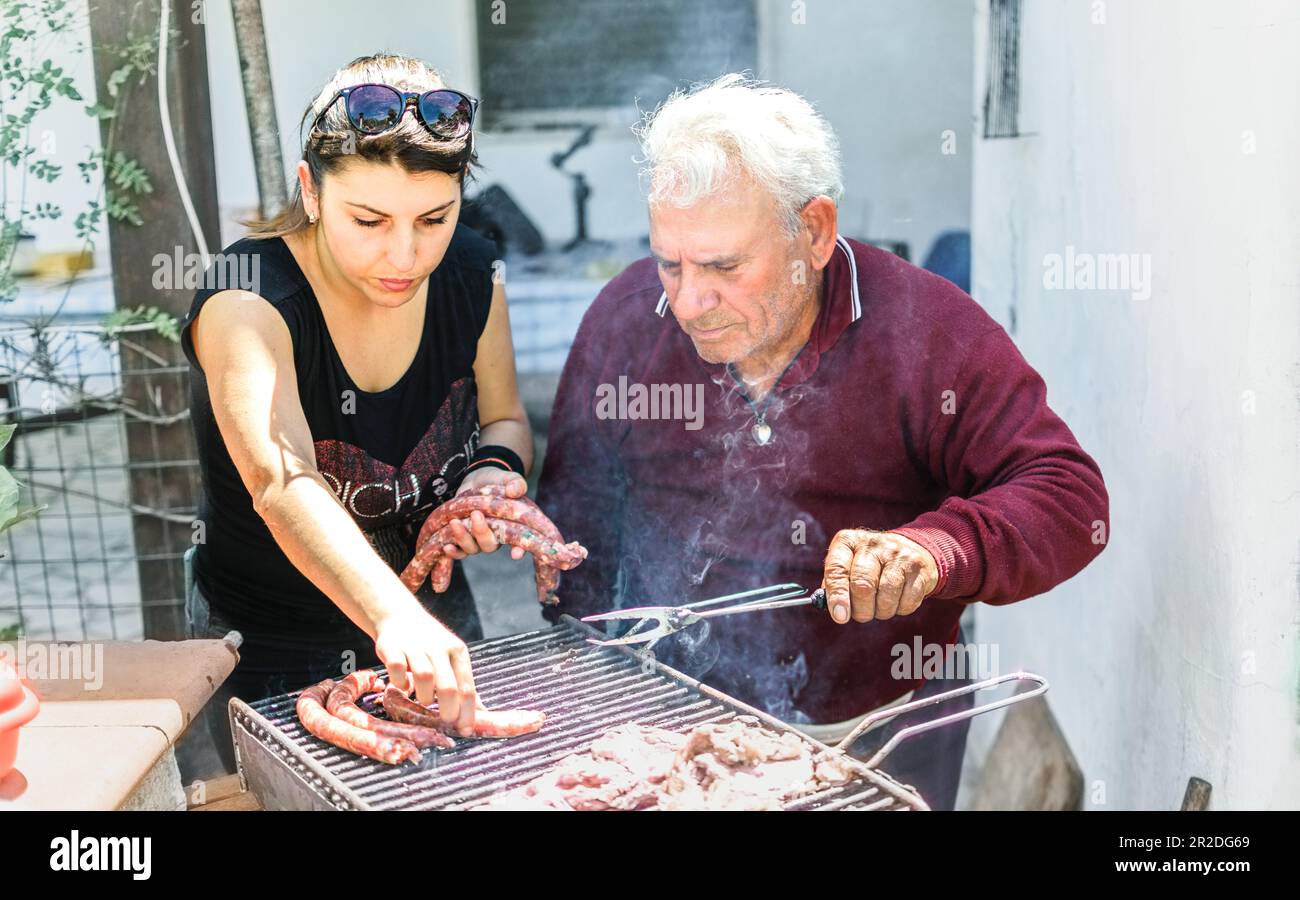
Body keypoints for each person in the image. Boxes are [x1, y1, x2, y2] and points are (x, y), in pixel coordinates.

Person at [536, 74, 1110, 809]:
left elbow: (1069, 497)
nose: (688, 301)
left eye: (723, 266)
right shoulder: (625, 321)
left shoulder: (927, 329)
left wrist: (935, 549)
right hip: (674, 728)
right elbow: (577, 526)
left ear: (812, 230)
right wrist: (592, 691)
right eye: (669, 262)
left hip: (884, 722)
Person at [180, 54, 536, 770]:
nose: (404, 254)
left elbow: (505, 419)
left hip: (434, 623)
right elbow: (282, 482)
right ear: (311, 191)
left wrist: (488, 479)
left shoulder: (470, 273)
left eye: (433, 218)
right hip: (269, 642)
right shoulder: (247, 297)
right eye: (368, 219)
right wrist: (392, 616)